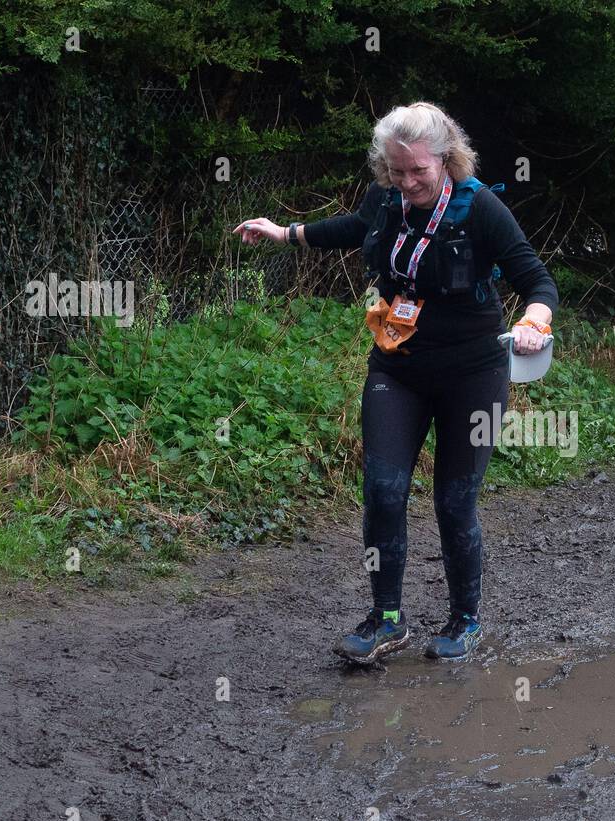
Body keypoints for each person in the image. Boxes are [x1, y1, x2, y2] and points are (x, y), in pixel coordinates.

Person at [233, 102, 558, 664]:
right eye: (396, 171)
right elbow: (357, 229)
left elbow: (537, 281)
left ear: (447, 161)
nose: (407, 183)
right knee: (383, 493)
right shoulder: (387, 199)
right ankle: (386, 619)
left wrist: (533, 323)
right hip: (397, 366)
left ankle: (465, 619)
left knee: (455, 503)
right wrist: (285, 232)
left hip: (473, 374)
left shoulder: (481, 208)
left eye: (419, 172)